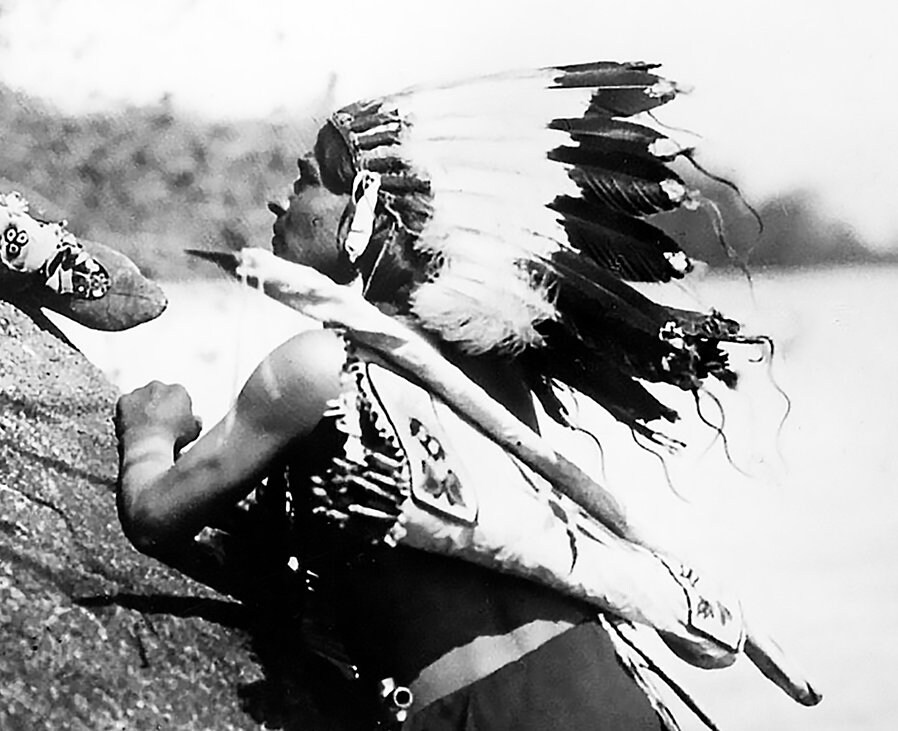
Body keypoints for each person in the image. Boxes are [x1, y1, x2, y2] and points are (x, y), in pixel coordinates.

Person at [115, 61, 818, 729]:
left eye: (306, 181)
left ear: (369, 211)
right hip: (603, 692)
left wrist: (150, 429)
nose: (284, 199)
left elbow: (153, 515)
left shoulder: (314, 368)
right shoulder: (501, 365)